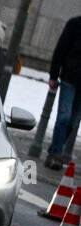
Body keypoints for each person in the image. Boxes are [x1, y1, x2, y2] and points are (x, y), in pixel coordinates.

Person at [46, 15, 81, 170]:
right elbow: (61, 49)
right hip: (69, 77)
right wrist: (54, 75)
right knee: (64, 117)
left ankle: (54, 150)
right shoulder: (74, 24)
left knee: (72, 122)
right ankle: (56, 155)